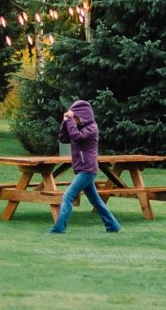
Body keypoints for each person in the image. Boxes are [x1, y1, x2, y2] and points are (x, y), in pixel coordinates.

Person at [51, 99, 120, 234]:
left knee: (67, 196)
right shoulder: (77, 126)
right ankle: (113, 226)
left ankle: (58, 228)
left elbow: (76, 137)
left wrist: (70, 121)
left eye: (75, 117)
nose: (74, 120)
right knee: (96, 201)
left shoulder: (92, 128)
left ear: (83, 116)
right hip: (82, 170)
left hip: (87, 170)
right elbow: (64, 139)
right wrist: (65, 122)